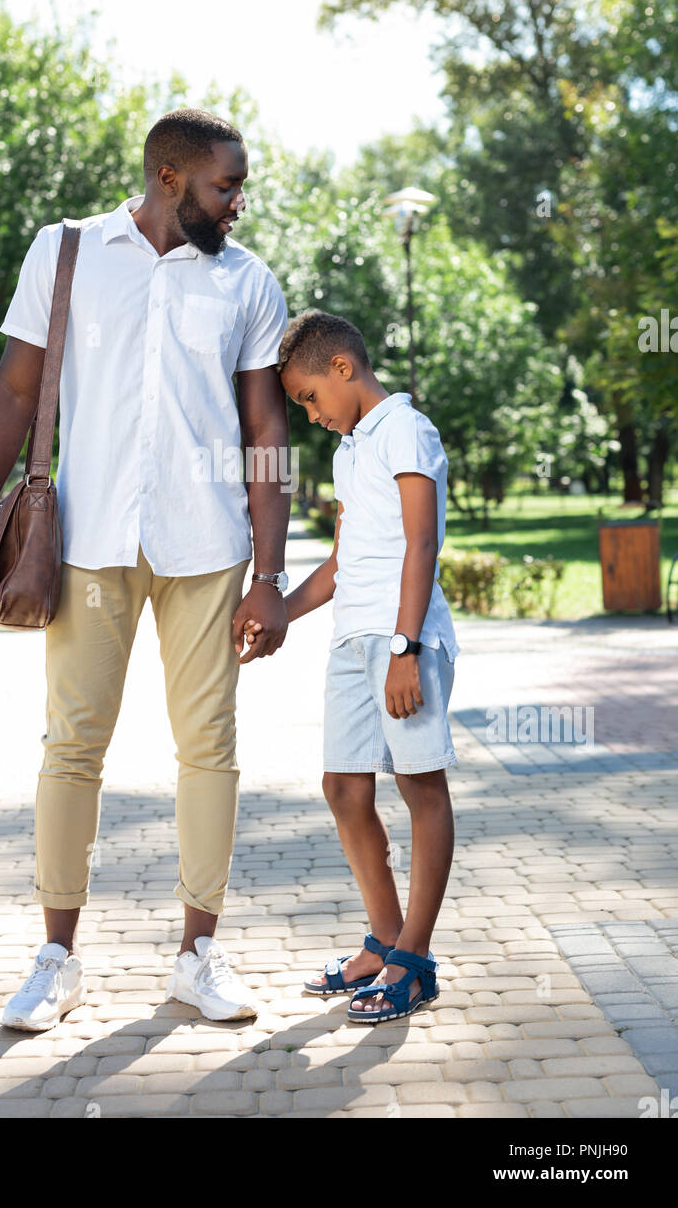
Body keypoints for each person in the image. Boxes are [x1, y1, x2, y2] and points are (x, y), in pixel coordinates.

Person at [0, 109, 291, 1027]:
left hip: (207, 547)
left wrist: (271, 572)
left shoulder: (248, 282)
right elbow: (14, 389)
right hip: (86, 540)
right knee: (72, 746)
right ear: (170, 178)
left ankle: (197, 956)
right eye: (226, 185)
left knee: (209, 747)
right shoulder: (67, 253)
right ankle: (57, 958)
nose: (238, 202)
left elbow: (265, 432)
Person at [242, 309, 459, 1023]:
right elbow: (341, 562)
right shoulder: (347, 450)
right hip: (350, 641)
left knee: (420, 786)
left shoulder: (406, 429)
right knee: (342, 787)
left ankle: (415, 962)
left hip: (403, 641)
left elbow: (421, 545)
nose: (309, 415)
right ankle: (385, 940)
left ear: (343, 368)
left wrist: (406, 649)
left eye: (309, 398)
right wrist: (278, 614)